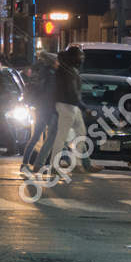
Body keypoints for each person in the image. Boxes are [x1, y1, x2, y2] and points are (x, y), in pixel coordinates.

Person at [46, 45, 88, 175]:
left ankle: (75, 163)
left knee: (78, 133)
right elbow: (71, 92)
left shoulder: (66, 68)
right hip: (67, 105)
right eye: (80, 55)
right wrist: (83, 106)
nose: (82, 58)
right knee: (63, 135)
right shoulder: (68, 70)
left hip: (69, 105)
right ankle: (55, 165)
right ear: (74, 57)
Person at [23, 53, 58, 171]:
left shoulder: (39, 72)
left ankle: (25, 163)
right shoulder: (50, 74)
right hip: (47, 108)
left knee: (36, 136)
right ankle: (44, 163)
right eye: (57, 61)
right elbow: (49, 93)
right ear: (52, 62)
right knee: (53, 135)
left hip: (39, 107)